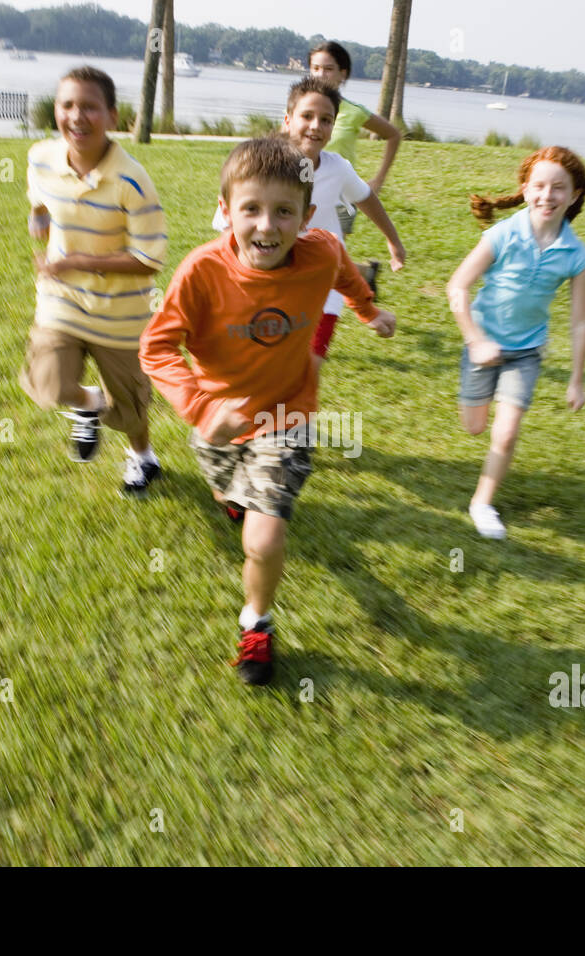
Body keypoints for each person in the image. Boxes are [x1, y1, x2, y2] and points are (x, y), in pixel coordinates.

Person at [141, 136, 398, 685]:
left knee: (263, 539)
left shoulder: (322, 250)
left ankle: (256, 622)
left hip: (287, 414)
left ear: (306, 216)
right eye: (251, 209)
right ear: (226, 210)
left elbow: (346, 272)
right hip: (217, 421)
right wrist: (200, 408)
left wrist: (368, 311)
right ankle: (236, 497)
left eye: (284, 212)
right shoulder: (201, 271)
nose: (267, 225)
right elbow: (156, 347)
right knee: (224, 487)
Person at [20, 66, 168, 496]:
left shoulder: (132, 179)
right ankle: (89, 405)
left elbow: (149, 259)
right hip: (61, 298)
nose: (76, 116)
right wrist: (39, 221)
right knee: (50, 382)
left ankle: (143, 459)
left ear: (112, 116)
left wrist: (80, 260)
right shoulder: (40, 157)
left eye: (89, 107)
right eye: (67, 105)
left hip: (120, 311)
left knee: (132, 405)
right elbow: (38, 198)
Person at [446, 146, 585, 540]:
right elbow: (458, 286)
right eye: (539, 186)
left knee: (506, 432)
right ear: (526, 190)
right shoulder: (503, 235)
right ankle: (479, 405)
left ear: (575, 195)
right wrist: (475, 341)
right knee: (475, 427)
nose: (548, 196)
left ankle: (483, 503)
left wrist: (576, 380)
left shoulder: (576, 254)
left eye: (558, 188)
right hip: (483, 344)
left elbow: (580, 323)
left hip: (525, 353)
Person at [212, 76, 406, 370]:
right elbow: (229, 228)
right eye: (307, 116)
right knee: (262, 363)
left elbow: (366, 198)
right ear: (287, 120)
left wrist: (393, 241)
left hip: (323, 280)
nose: (316, 126)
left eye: (326, 120)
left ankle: (297, 416)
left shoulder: (338, 168)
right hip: (269, 282)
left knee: (310, 366)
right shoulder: (257, 168)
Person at [309, 41, 402, 198]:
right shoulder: (297, 109)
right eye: (316, 68)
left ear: (342, 74)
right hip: (302, 196)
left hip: (341, 201)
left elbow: (394, 135)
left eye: (328, 69)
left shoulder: (354, 112)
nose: (320, 74)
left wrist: (378, 180)